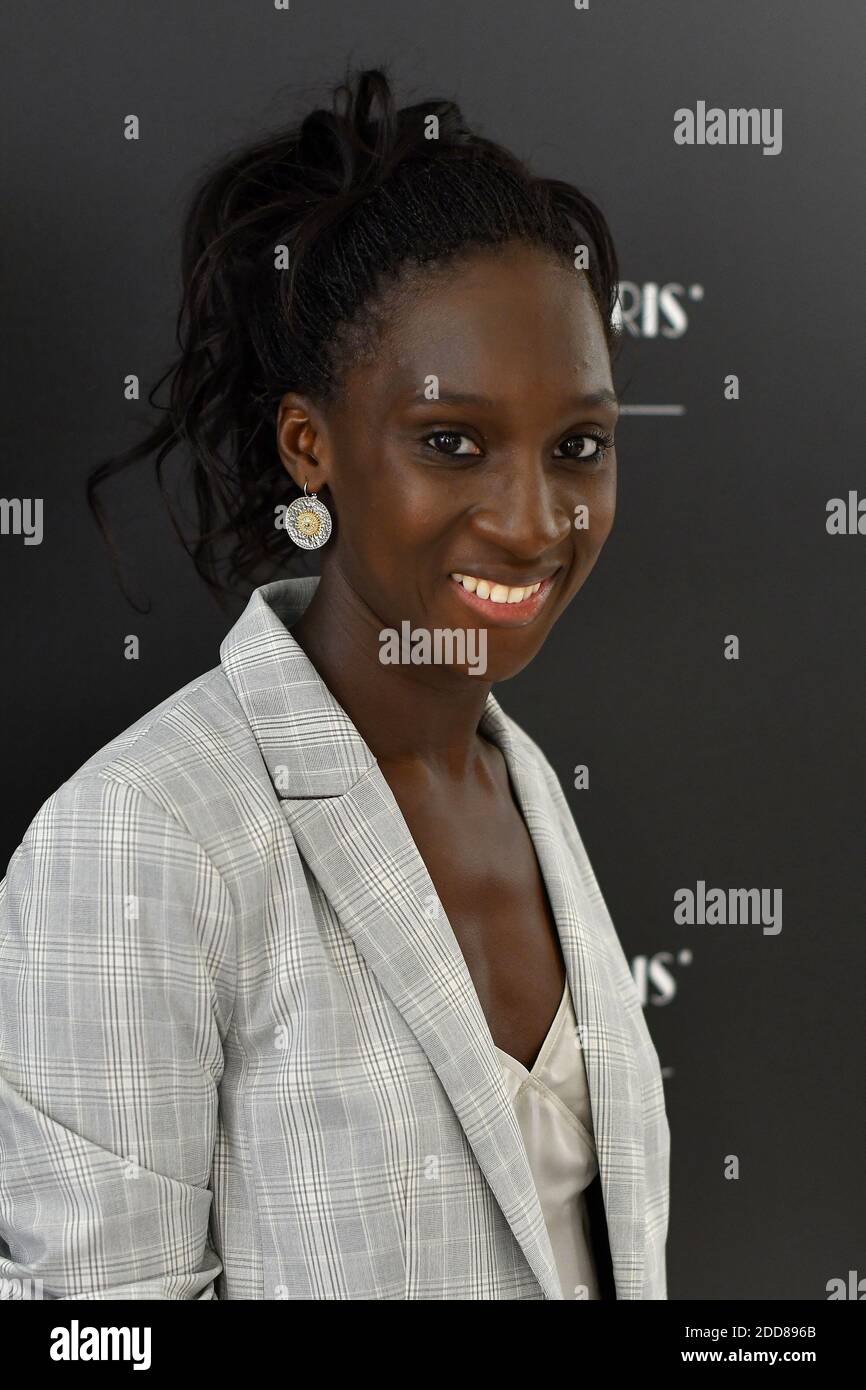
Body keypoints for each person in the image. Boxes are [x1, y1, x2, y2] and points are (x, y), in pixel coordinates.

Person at [0, 67, 669, 1300]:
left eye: (576, 445)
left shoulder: (521, 785)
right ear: (311, 447)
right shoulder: (142, 839)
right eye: (450, 442)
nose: (533, 521)